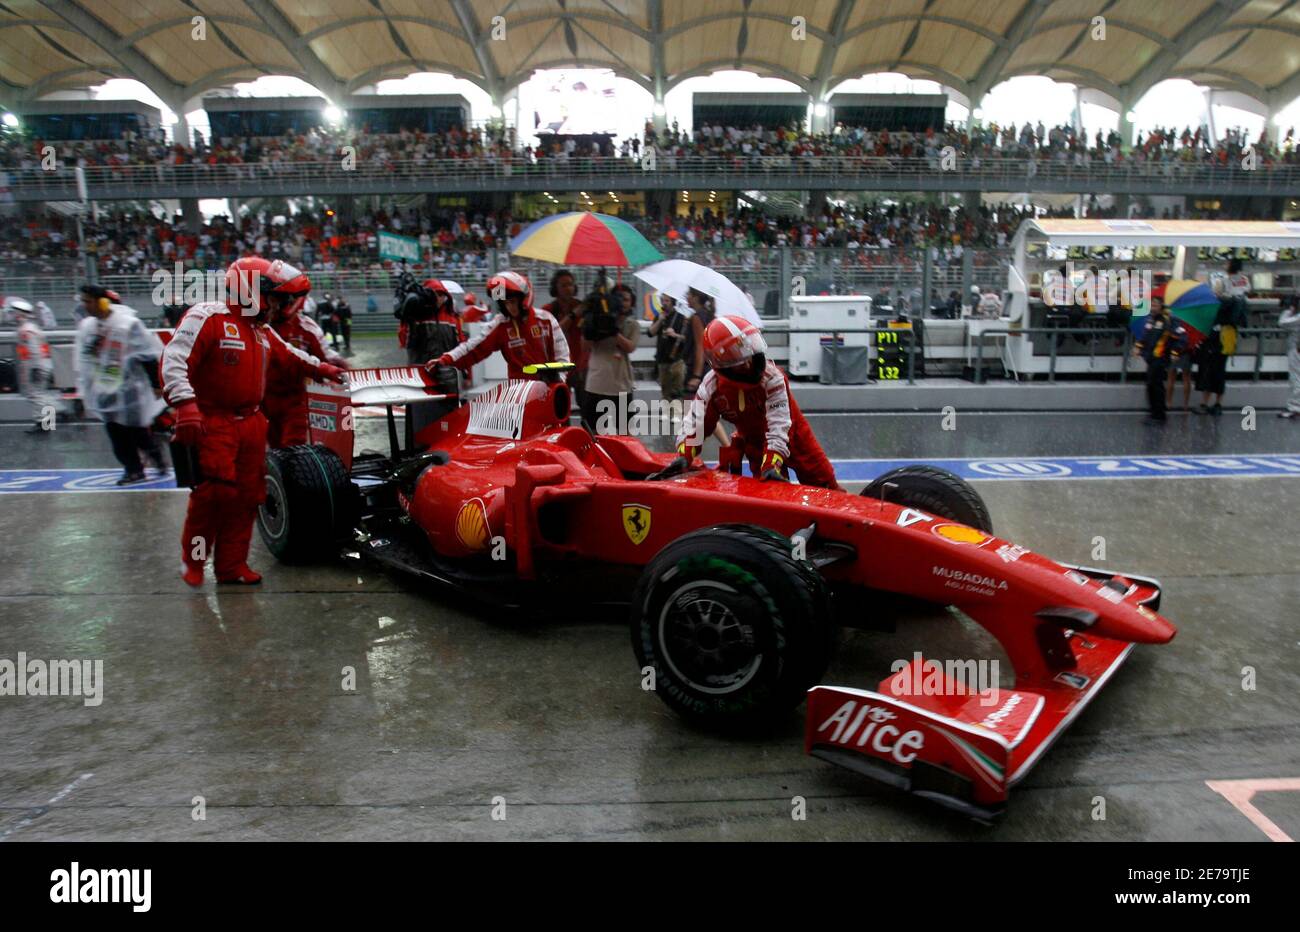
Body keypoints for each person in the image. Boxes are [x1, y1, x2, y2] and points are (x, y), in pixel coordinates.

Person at [162, 257, 346, 587]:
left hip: (251, 423)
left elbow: (292, 355)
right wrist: (185, 404)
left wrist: (324, 368)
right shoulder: (208, 316)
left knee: (249, 497)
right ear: (252, 291)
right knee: (213, 496)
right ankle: (194, 559)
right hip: (213, 422)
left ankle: (232, 567)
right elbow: (174, 359)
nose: (279, 305)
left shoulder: (261, 331)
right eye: (274, 297)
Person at [668, 315, 839, 489]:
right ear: (722, 361)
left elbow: (779, 426)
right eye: (737, 352)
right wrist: (684, 456)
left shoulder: (772, 378)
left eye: (747, 346)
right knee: (768, 495)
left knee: (826, 485)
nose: (748, 360)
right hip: (755, 443)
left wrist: (772, 464)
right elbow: (695, 424)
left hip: (796, 436)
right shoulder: (712, 386)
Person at [75, 284, 169, 484]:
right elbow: (85, 360)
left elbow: (147, 356)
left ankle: (156, 456)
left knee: (137, 431)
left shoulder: (128, 325)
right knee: (116, 434)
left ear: (102, 301)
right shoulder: (88, 327)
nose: (85, 306)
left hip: (129, 389)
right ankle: (133, 469)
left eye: (88, 301)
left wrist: (156, 384)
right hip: (104, 389)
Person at [265, 265, 349, 448]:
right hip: (262, 399)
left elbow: (328, 357)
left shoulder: (307, 327)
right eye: (274, 297)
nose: (277, 303)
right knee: (267, 453)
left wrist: (337, 365)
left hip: (293, 399)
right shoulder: (258, 322)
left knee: (293, 449)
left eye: (281, 298)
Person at [432, 271, 569, 379]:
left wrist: (558, 380)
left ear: (523, 298)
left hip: (551, 389)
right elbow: (473, 347)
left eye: (513, 301)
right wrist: (445, 360)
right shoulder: (500, 324)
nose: (510, 307)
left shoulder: (545, 319)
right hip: (519, 393)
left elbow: (562, 356)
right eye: (506, 303)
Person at [582, 283, 639, 433]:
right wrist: (593, 325)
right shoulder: (597, 319)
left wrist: (614, 331)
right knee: (593, 432)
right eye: (618, 298)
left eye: (626, 299)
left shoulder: (632, 324)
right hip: (596, 385)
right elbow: (585, 346)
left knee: (625, 432)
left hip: (621, 385)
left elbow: (630, 347)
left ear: (632, 302)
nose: (622, 302)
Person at [1133, 289, 1186, 424]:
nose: (1153, 308)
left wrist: (1175, 352)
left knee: (1155, 385)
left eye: (1155, 305)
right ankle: (1153, 411)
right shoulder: (1151, 320)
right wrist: (1139, 347)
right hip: (1151, 357)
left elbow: (1181, 337)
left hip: (1161, 358)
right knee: (1151, 385)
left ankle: (1159, 415)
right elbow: (1145, 336)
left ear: (1161, 306)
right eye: (1151, 305)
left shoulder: (1169, 319)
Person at [6, 297, 57, 434]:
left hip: (35, 364)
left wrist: (36, 368)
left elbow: (34, 350)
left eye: (13, 312)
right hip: (37, 364)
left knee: (36, 395)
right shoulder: (28, 328)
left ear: (20, 314)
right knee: (41, 394)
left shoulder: (27, 330)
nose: (10, 315)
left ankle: (44, 424)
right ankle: (47, 423)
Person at [543, 270, 586, 407]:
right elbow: (555, 332)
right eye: (564, 285)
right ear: (555, 288)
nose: (569, 288)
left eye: (571, 284)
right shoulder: (548, 310)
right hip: (558, 367)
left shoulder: (582, 308)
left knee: (588, 410)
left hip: (580, 366)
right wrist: (573, 315)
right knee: (560, 409)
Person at [399, 279, 462, 366]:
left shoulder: (452, 318)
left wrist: (465, 374)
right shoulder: (416, 316)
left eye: (442, 295)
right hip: (420, 370)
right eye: (436, 294)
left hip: (446, 370)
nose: (439, 298)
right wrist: (407, 317)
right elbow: (404, 341)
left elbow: (460, 347)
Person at [647, 292, 691, 402]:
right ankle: (667, 416)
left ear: (672, 302)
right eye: (663, 300)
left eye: (667, 301)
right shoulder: (659, 316)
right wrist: (660, 320)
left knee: (676, 391)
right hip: (662, 359)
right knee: (665, 391)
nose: (664, 303)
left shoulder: (681, 317)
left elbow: (687, 338)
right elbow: (650, 333)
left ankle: (676, 416)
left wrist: (675, 335)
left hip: (677, 359)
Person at [1279, 295, 1300, 420]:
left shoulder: (1297, 317)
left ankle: (1295, 407)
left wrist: (1288, 311)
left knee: (1296, 378)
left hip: (1296, 350)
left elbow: (1282, 323)